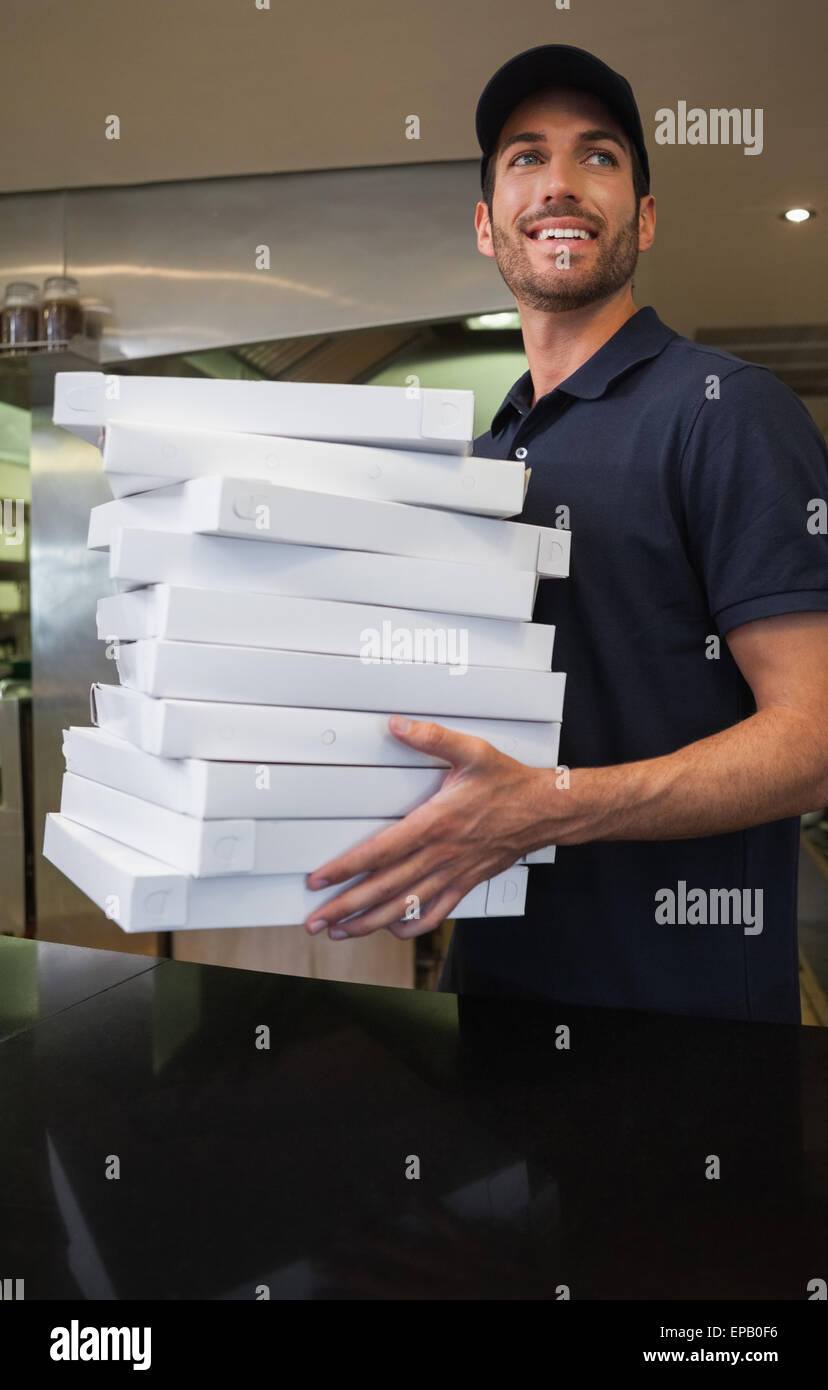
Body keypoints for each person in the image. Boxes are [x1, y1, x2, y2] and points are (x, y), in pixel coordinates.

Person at [302, 44, 828, 1024]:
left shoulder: (725, 414)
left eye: (598, 156)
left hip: (682, 1026)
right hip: (493, 990)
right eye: (524, 157)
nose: (558, 184)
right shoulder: (483, 452)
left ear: (647, 215)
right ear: (485, 224)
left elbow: (815, 737)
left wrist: (552, 803)